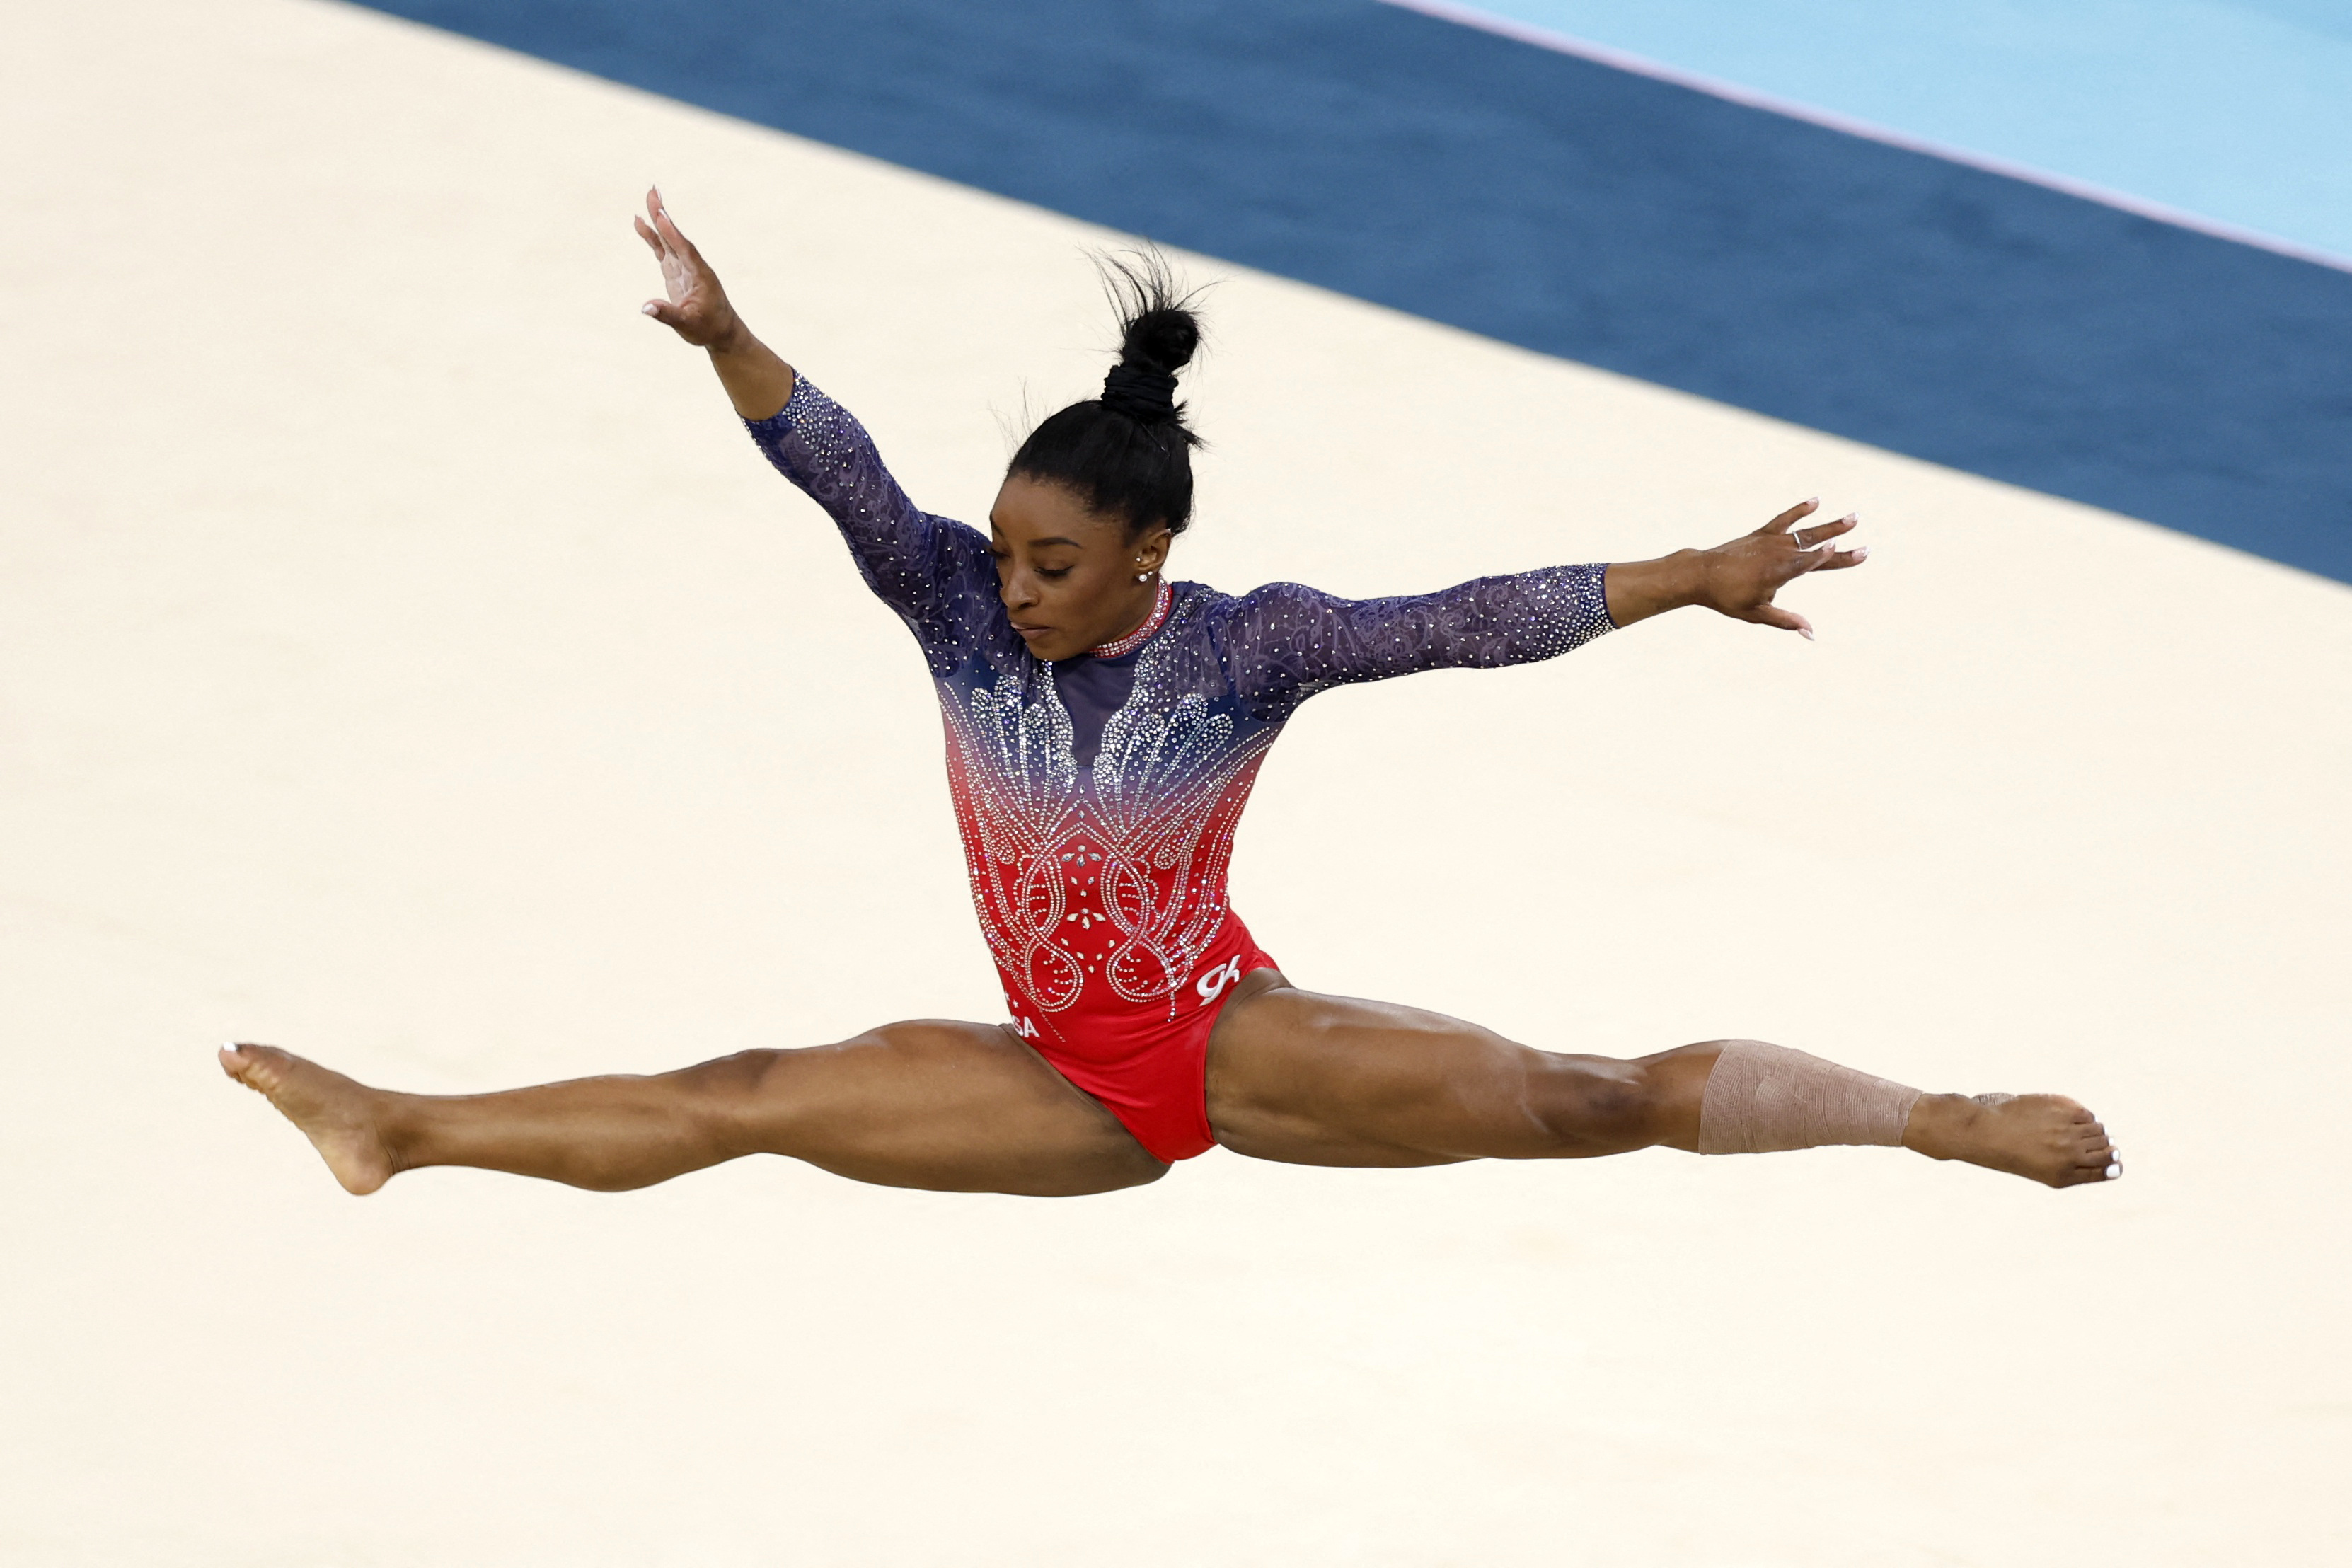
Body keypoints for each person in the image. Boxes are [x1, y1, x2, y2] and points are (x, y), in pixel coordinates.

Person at [220, 190, 2123, 1199]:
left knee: (1579, 1099)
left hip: (1221, 1033)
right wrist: (727, 337)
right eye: (1003, 552)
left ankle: (1931, 1118)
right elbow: (843, 471)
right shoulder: (950, 603)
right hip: (1063, 1079)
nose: (1013, 589)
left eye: (1053, 566)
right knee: (740, 1102)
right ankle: (401, 1127)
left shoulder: (1241, 645)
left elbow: (1460, 616)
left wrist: (1684, 579)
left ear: (1144, 555)